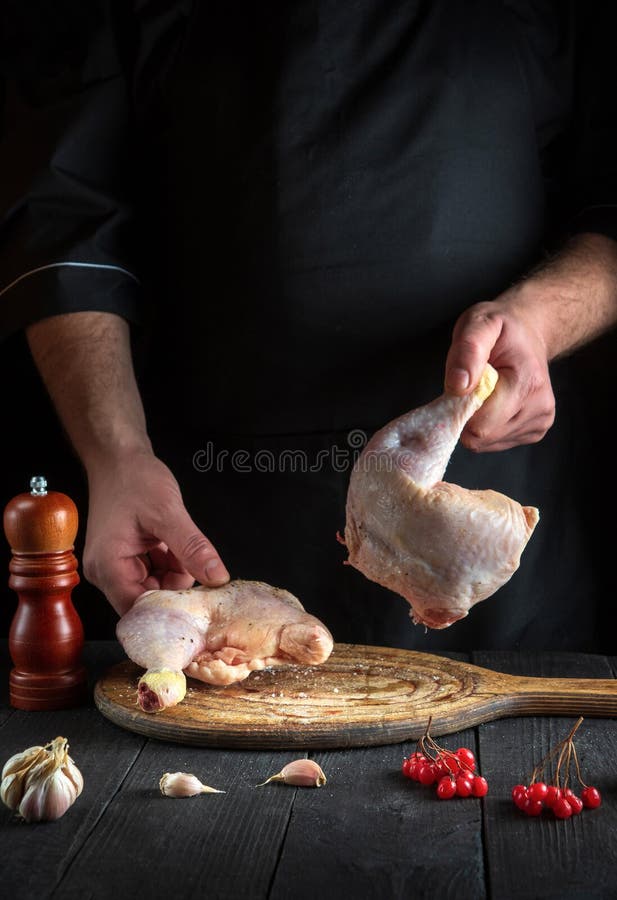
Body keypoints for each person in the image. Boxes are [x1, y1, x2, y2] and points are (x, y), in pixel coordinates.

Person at [1, 1, 616, 652]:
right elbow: (63, 221)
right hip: (195, 499)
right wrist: (115, 454)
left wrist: (541, 320)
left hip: (492, 488)